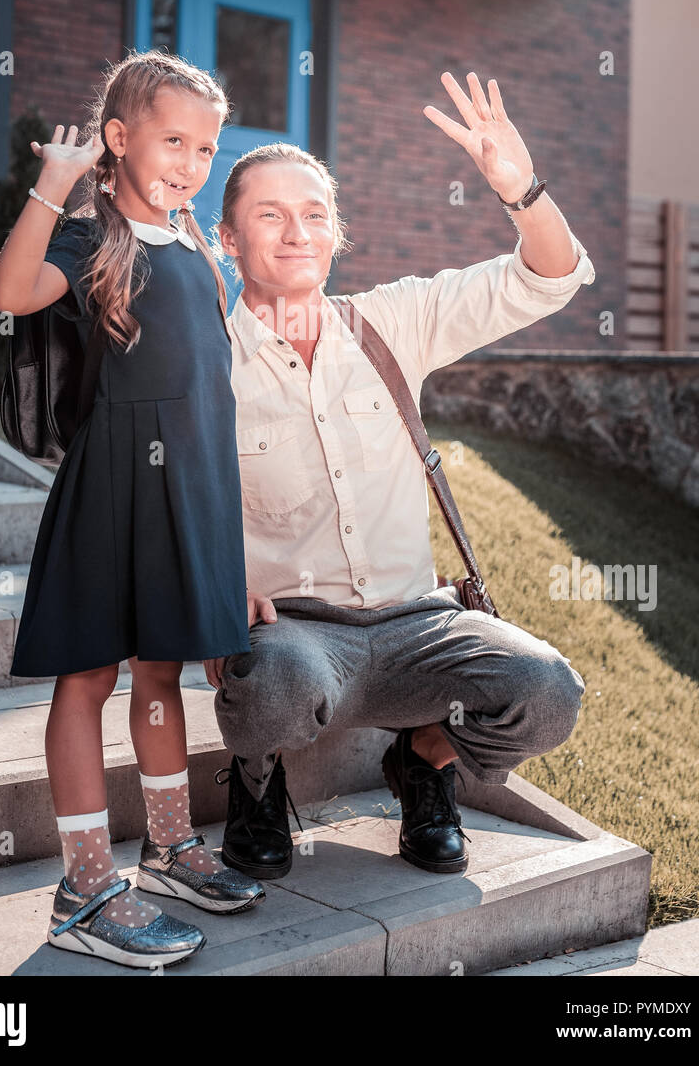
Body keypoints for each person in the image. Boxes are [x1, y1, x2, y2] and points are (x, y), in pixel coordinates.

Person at [207, 69, 594, 881]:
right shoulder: (208, 357)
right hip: (297, 632)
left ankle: (422, 762)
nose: (296, 232)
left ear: (336, 234)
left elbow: (550, 279)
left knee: (549, 689)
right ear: (229, 239)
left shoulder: (391, 322)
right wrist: (212, 583)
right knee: (274, 682)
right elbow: (149, 482)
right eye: (269, 215)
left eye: (314, 215)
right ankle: (256, 780)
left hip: (418, 624)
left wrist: (520, 191)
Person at [0, 51, 263, 970]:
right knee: (89, 677)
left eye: (208, 146)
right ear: (118, 138)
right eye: (173, 139)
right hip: (113, 485)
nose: (192, 159)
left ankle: (172, 846)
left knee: (161, 673)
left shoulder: (201, 252)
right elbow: (11, 295)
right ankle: (85, 883)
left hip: (190, 486)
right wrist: (49, 191)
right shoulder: (90, 236)